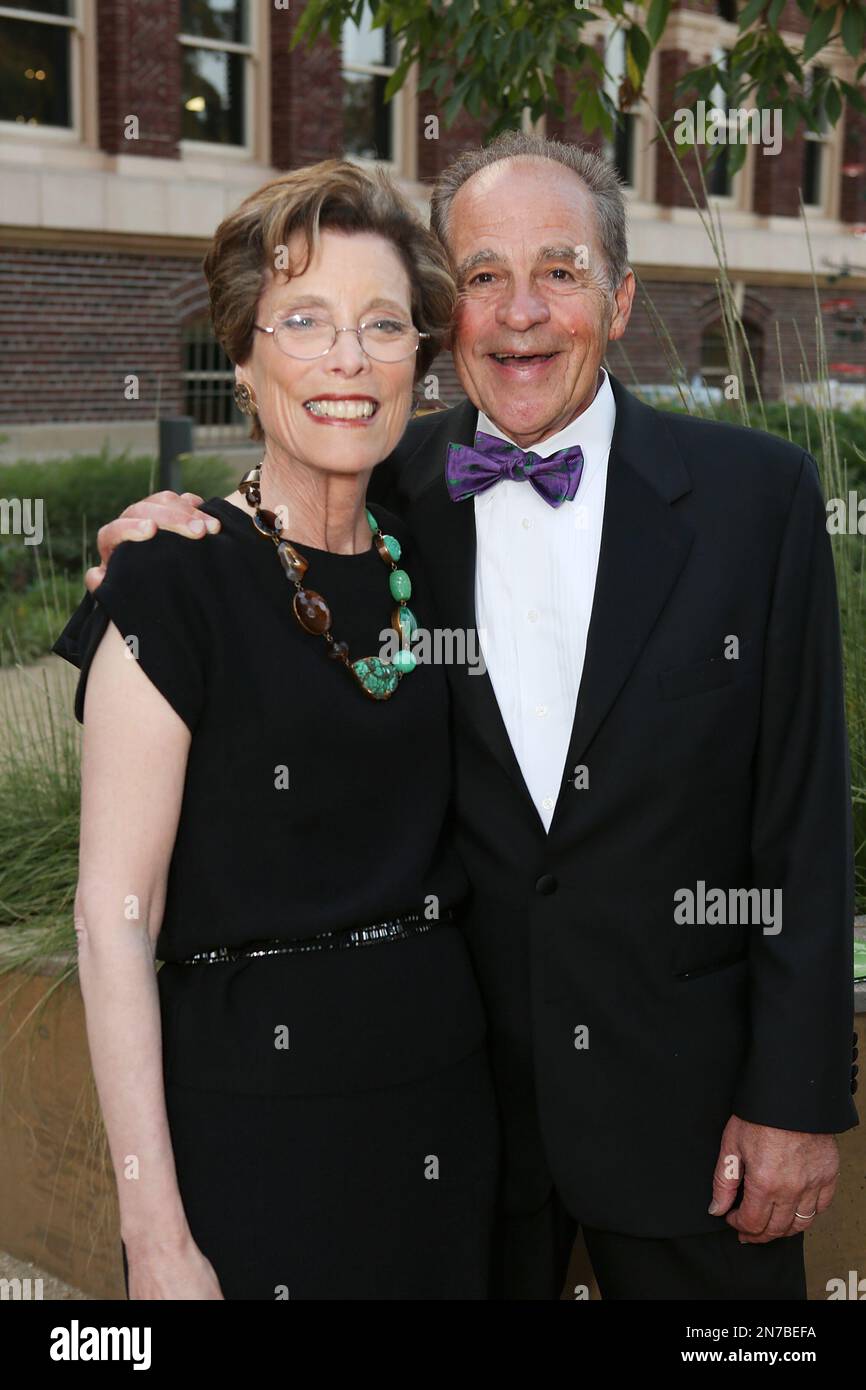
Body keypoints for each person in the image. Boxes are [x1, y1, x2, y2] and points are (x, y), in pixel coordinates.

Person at [57, 132, 859, 1301]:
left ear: (620, 297)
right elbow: (266, 531)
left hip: (697, 1136)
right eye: (482, 275)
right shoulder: (392, 489)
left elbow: (801, 821)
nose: (520, 313)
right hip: (464, 1141)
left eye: (560, 272)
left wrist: (794, 1096)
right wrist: (149, 538)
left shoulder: (758, 501)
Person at [55, 161, 501, 1300]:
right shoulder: (174, 580)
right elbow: (115, 921)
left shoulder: (438, 556)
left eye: (382, 326)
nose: (347, 360)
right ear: (242, 361)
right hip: (249, 1139)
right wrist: (155, 1237)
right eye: (302, 322)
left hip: (444, 1123)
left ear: (419, 359)